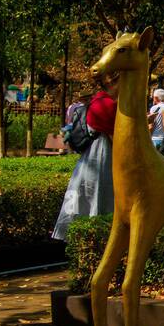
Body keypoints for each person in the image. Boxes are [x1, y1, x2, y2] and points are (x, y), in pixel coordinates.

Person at [52, 72, 118, 240]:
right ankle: (96, 236)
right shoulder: (107, 104)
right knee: (99, 192)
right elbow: (114, 136)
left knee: (83, 194)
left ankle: (80, 235)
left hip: (90, 155)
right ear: (112, 83)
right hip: (102, 153)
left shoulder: (97, 100)